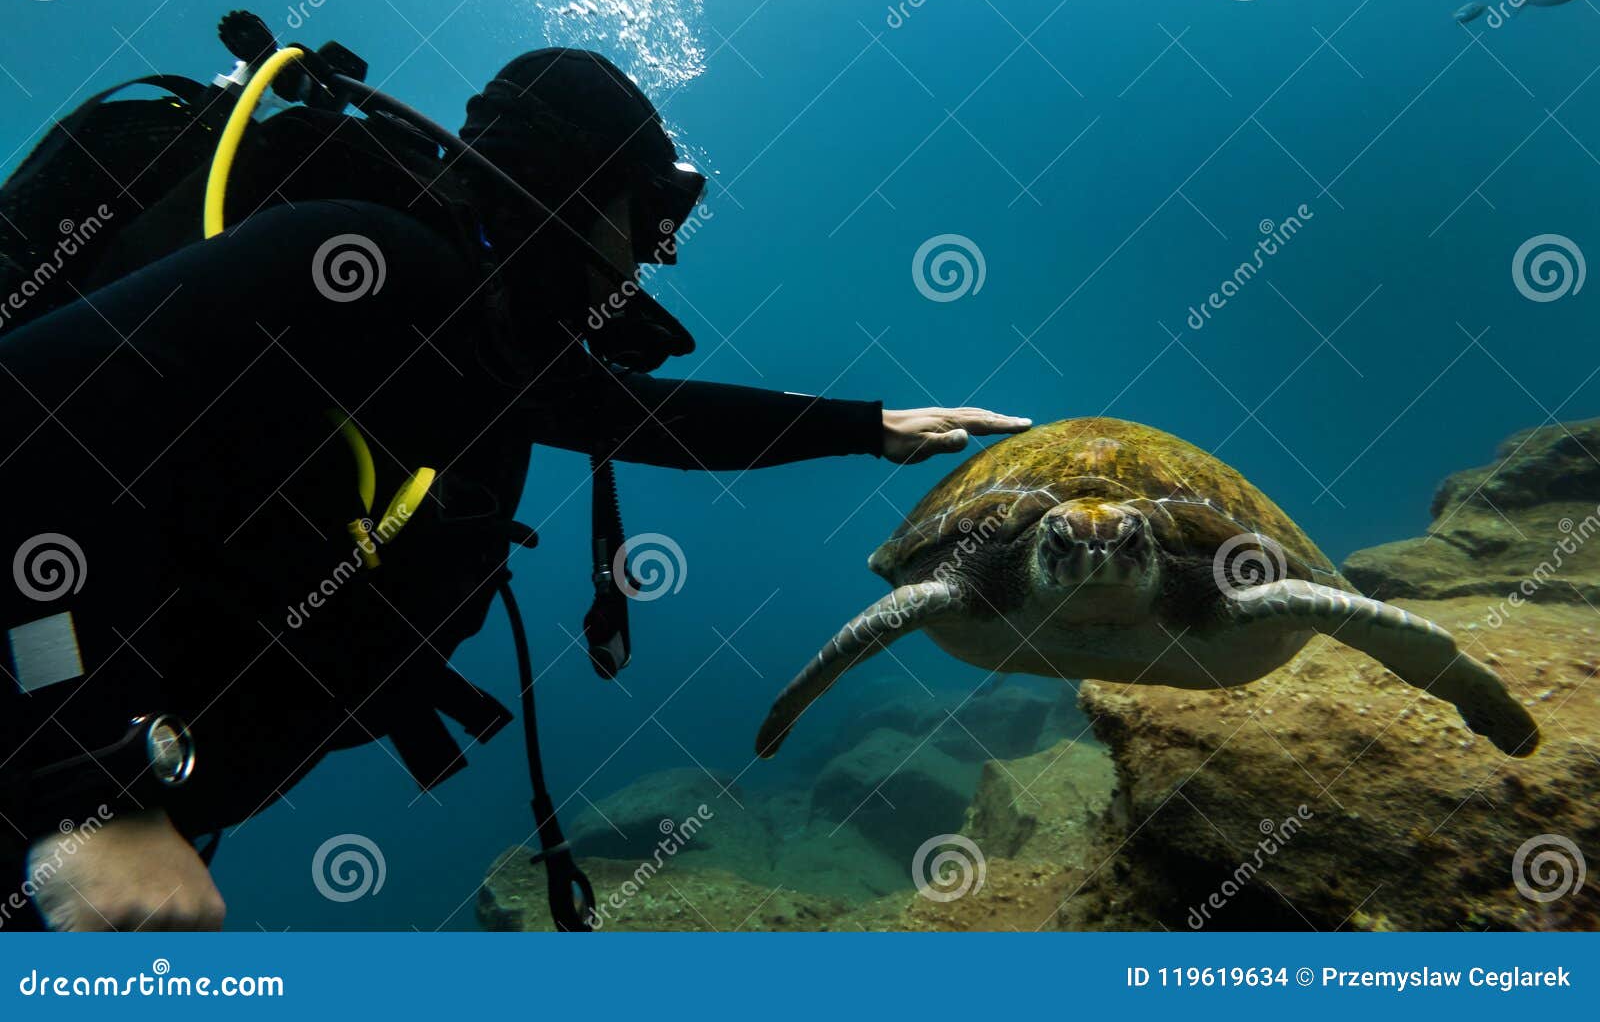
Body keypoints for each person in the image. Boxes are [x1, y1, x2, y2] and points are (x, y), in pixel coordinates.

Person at [0, 45, 1030, 931]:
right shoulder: (351, 260)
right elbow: (24, 426)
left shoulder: (474, 340)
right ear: (575, 188)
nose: (655, 252)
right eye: (646, 212)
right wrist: (94, 789)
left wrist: (870, 428)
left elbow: (643, 417)